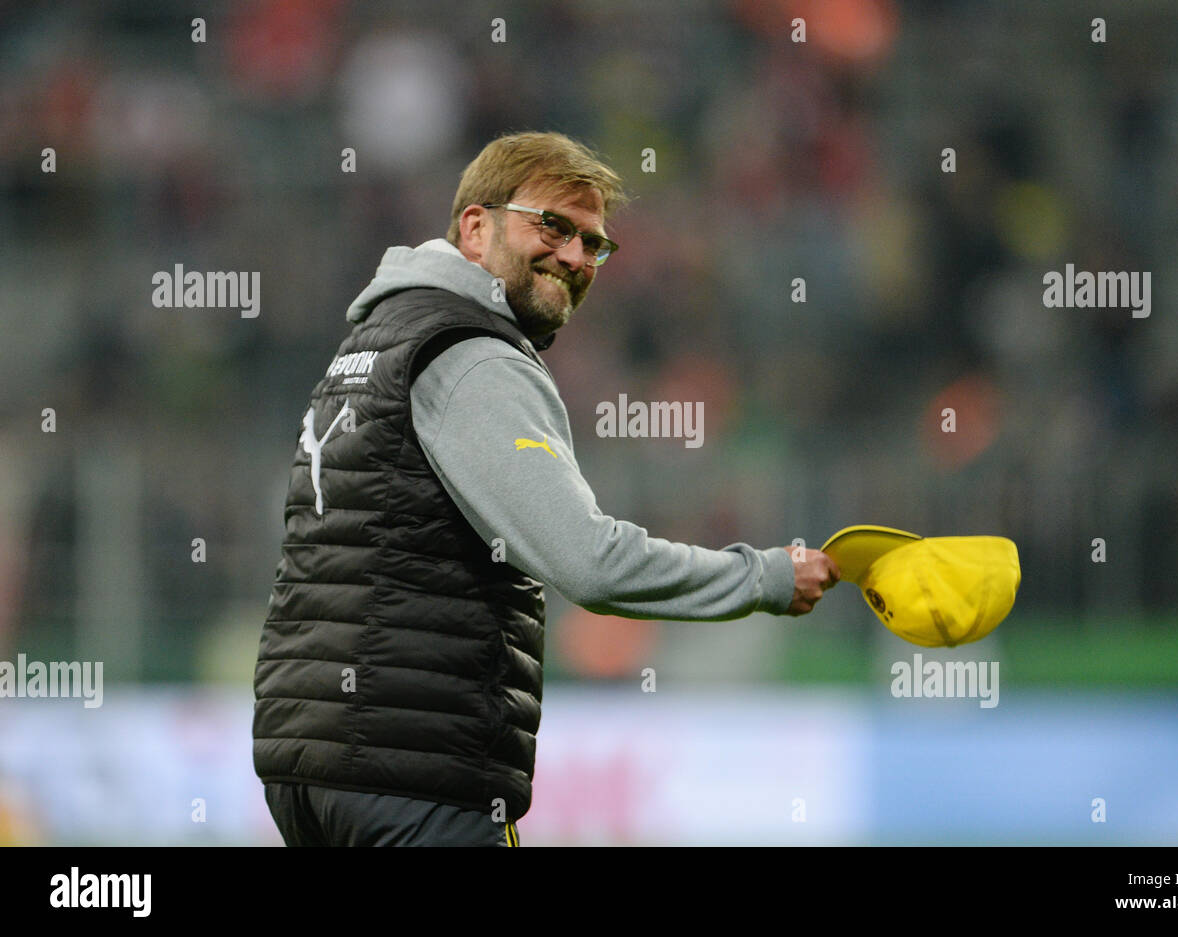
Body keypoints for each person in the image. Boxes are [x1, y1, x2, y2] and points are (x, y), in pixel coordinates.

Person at [253, 131, 840, 846]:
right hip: (414, 776)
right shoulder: (472, 356)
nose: (573, 256)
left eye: (593, 243)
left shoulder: (374, 343)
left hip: (312, 771)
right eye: (552, 225)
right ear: (476, 226)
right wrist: (765, 575)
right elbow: (587, 561)